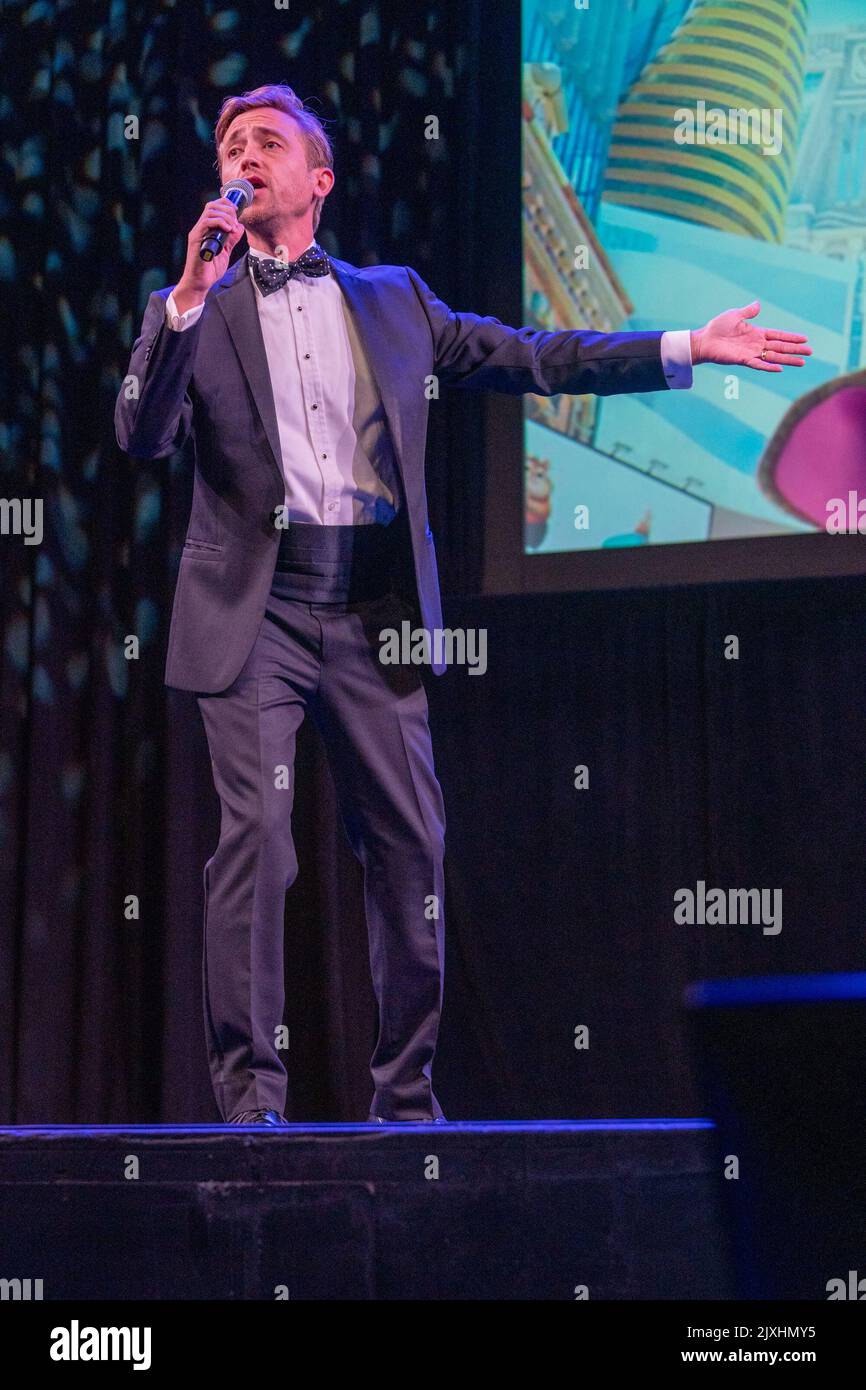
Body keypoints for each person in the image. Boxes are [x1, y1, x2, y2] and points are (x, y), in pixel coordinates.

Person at [115, 83, 811, 1125]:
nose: (243, 155)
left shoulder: (392, 296)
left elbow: (529, 355)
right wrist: (183, 295)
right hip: (253, 610)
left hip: (370, 603)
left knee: (409, 847)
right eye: (229, 143)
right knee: (255, 834)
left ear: (319, 178)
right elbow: (141, 434)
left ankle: (403, 1104)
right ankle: (251, 1106)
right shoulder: (193, 312)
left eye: (268, 141)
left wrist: (682, 349)